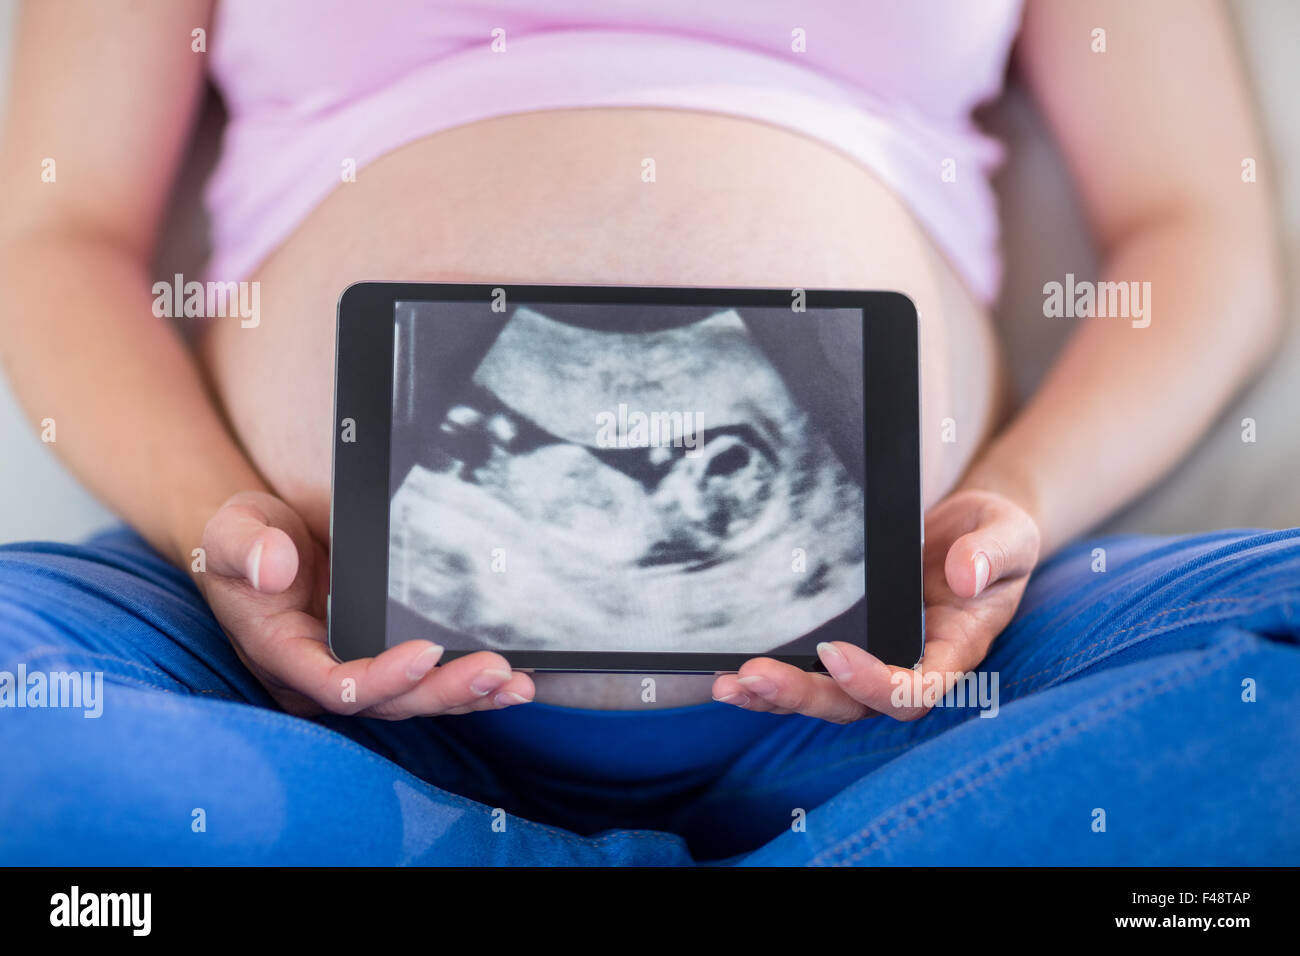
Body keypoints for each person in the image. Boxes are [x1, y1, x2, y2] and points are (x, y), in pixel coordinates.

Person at [0, 0, 1295, 864]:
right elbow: (58, 236)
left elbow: (1198, 229)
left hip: (915, 694)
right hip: (305, 687)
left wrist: (1010, 509)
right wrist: (224, 538)